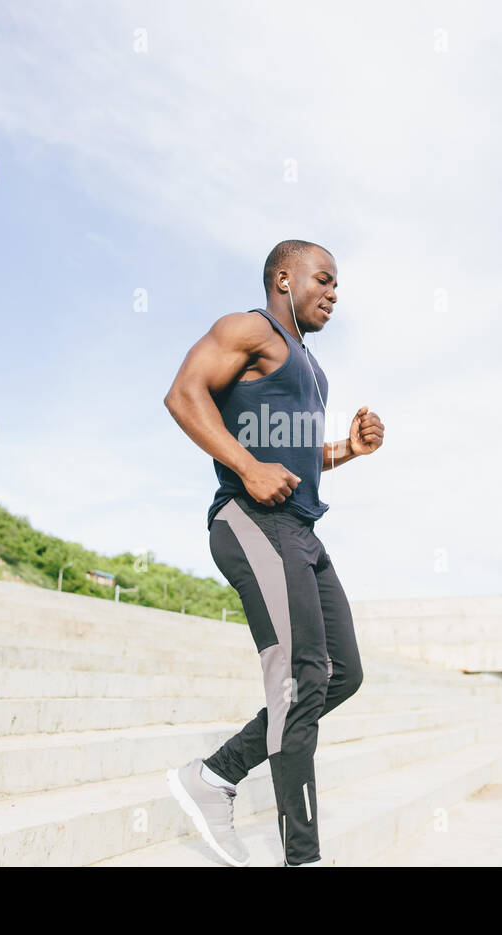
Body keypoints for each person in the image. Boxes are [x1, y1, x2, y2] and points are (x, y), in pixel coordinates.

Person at [161, 239, 385, 866]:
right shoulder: (247, 329)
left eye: (337, 284)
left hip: (302, 531)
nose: (333, 293)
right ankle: (303, 858)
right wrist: (246, 467)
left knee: (340, 674)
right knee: (298, 677)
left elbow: (297, 456)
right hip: (250, 520)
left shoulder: (313, 369)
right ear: (285, 278)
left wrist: (348, 450)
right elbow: (183, 394)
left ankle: (214, 775)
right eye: (324, 279)